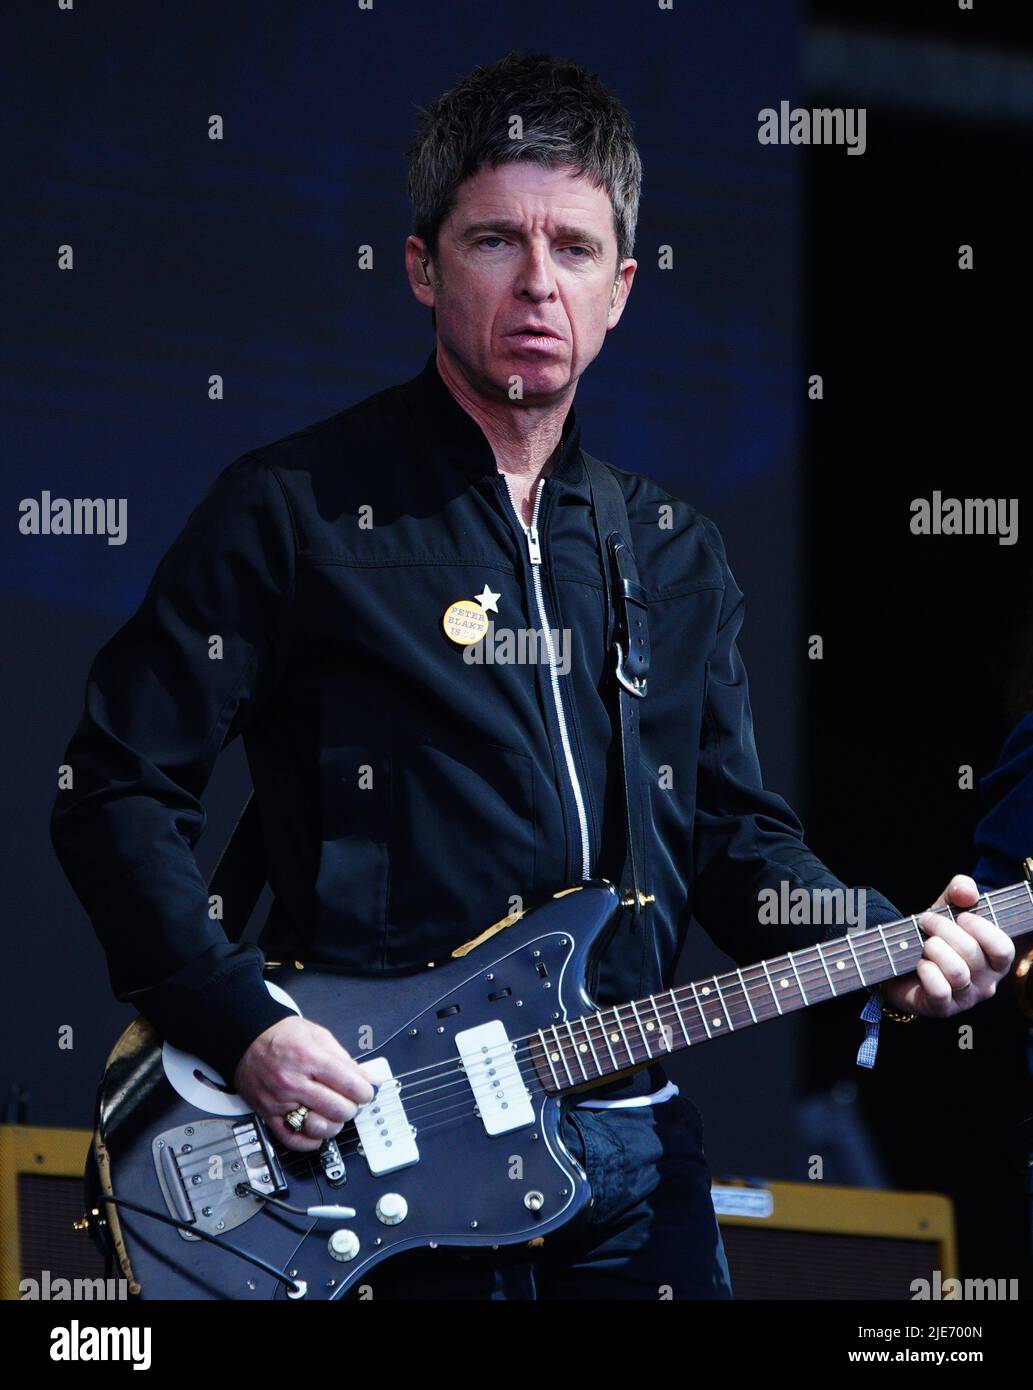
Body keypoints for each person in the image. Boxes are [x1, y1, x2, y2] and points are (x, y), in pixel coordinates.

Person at [50, 49, 1015, 1300]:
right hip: (365, 1148)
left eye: (572, 249)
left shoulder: (671, 554)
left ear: (620, 290)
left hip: (629, 1151)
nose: (536, 283)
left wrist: (881, 939)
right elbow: (115, 786)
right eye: (496, 240)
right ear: (421, 266)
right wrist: (244, 1025)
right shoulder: (293, 512)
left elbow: (728, 837)